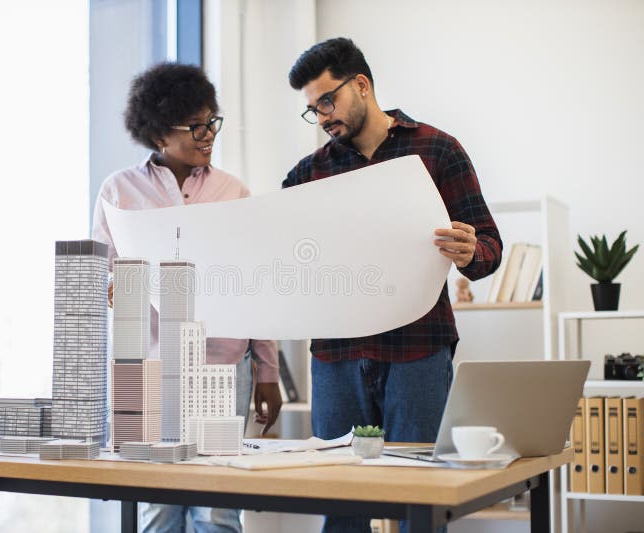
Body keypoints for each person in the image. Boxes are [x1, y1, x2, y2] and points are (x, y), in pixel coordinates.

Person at [283, 38, 502, 533]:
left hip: (418, 352)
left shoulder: (437, 149)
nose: (321, 117)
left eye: (326, 101)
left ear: (361, 85)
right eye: (311, 109)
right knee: (341, 505)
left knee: (420, 504)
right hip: (337, 356)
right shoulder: (307, 175)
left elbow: (489, 247)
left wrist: (473, 250)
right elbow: (288, 264)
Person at [92, 62, 282, 533]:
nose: (208, 134)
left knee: (217, 509)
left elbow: (255, 283)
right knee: (158, 508)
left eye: (211, 121)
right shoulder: (118, 192)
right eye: (195, 126)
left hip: (222, 367)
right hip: (150, 372)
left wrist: (268, 370)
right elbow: (98, 274)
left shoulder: (233, 192)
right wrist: (112, 285)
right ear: (159, 135)